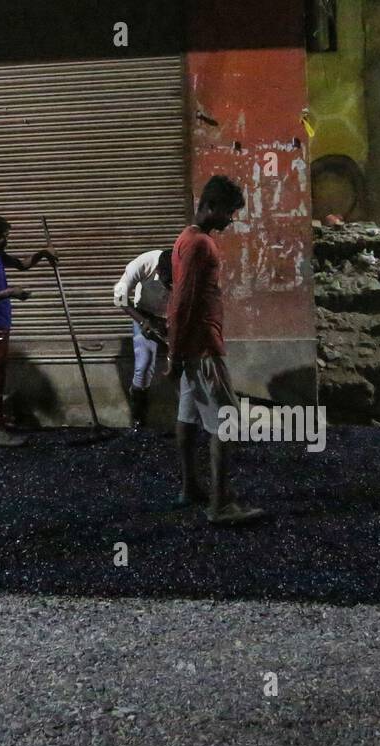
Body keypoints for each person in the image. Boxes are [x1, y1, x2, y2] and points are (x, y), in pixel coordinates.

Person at [165, 175, 265, 525]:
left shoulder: (186, 238)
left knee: (188, 417)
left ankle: (190, 487)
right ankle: (220, 505)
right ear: (209, 206)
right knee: (228, 422)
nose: (230, 220)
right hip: (204, 349)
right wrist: (174, 355)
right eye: (228, 212)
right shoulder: (201, 245)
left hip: (192, 350)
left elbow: (181, 302)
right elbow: (182, 303)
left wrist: (177, 354)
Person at [0, 214, 55, 447]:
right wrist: (8, 293)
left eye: (7, 235)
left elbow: (22, 265)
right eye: (0, 236)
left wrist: (43, 254)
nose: (6, 240)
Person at [113, 247, 173, 431]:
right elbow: (119, 296)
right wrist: (143, 321)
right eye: (168, 282)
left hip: (172, 317)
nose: (171, 287)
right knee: (144, 364)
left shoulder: (186, 265)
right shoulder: (143, 263)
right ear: (158, 272)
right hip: (144, 314)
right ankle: (139, 417)